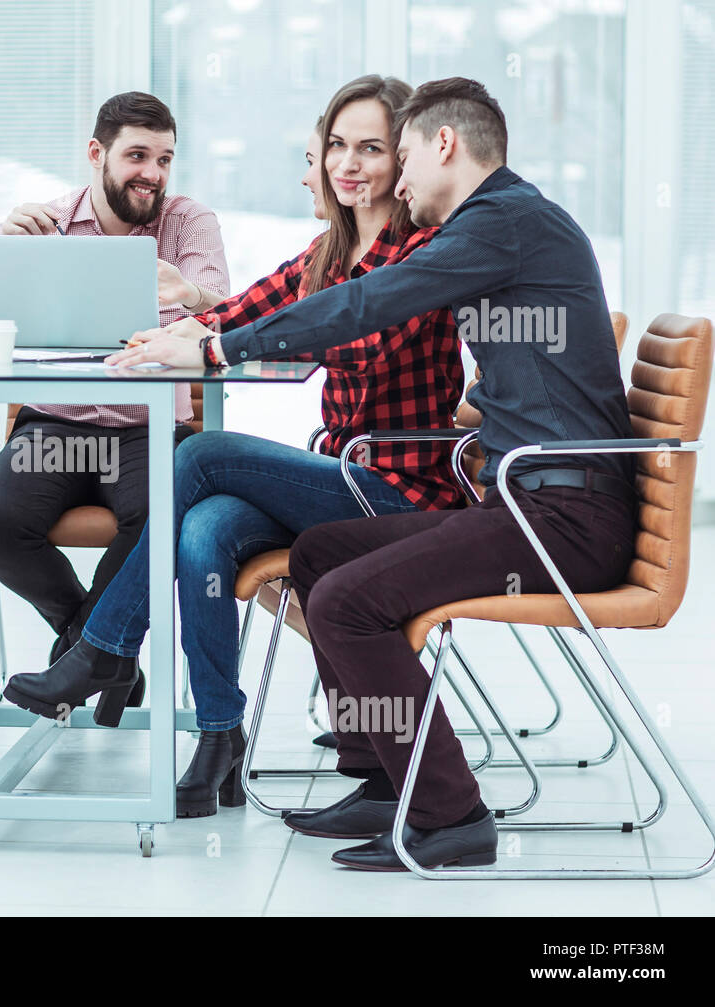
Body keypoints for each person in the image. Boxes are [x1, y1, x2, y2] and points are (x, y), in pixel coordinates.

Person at [104, 77, 637, 871]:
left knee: (348, 601)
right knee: (323, 552)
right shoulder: (509, 225)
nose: (400, 178)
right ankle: (386, 774)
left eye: (406, 153)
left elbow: (368, 302)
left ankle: (452, 817)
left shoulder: (502, 223)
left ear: (444, 144)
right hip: (534, 502)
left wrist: (219, 346)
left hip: (560, 521)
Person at [2, 76, 467, 815]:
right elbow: (246, 305)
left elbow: (339, 329)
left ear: (405, 157)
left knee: (200, 456)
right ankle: (219, 735)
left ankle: (103, 648)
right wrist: (173, 334)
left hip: (400, 494)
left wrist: (210, 344)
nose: (347, 164)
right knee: (204, 524)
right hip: (346, 476)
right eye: (337, 146)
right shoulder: (335, 248)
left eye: (371, 148)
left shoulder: (422, 252)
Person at [0, 91, 230, 694]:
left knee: (159, 518)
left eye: (165, 159)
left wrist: (191, 295)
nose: (152, 174)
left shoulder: (189, 224)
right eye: (137, 156)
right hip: (56, 421)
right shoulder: (45, 222)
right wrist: (5, 253)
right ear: (96, 154)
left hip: (149, 424)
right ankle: (96, 647)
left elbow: (225, 322)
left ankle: (89, 654)